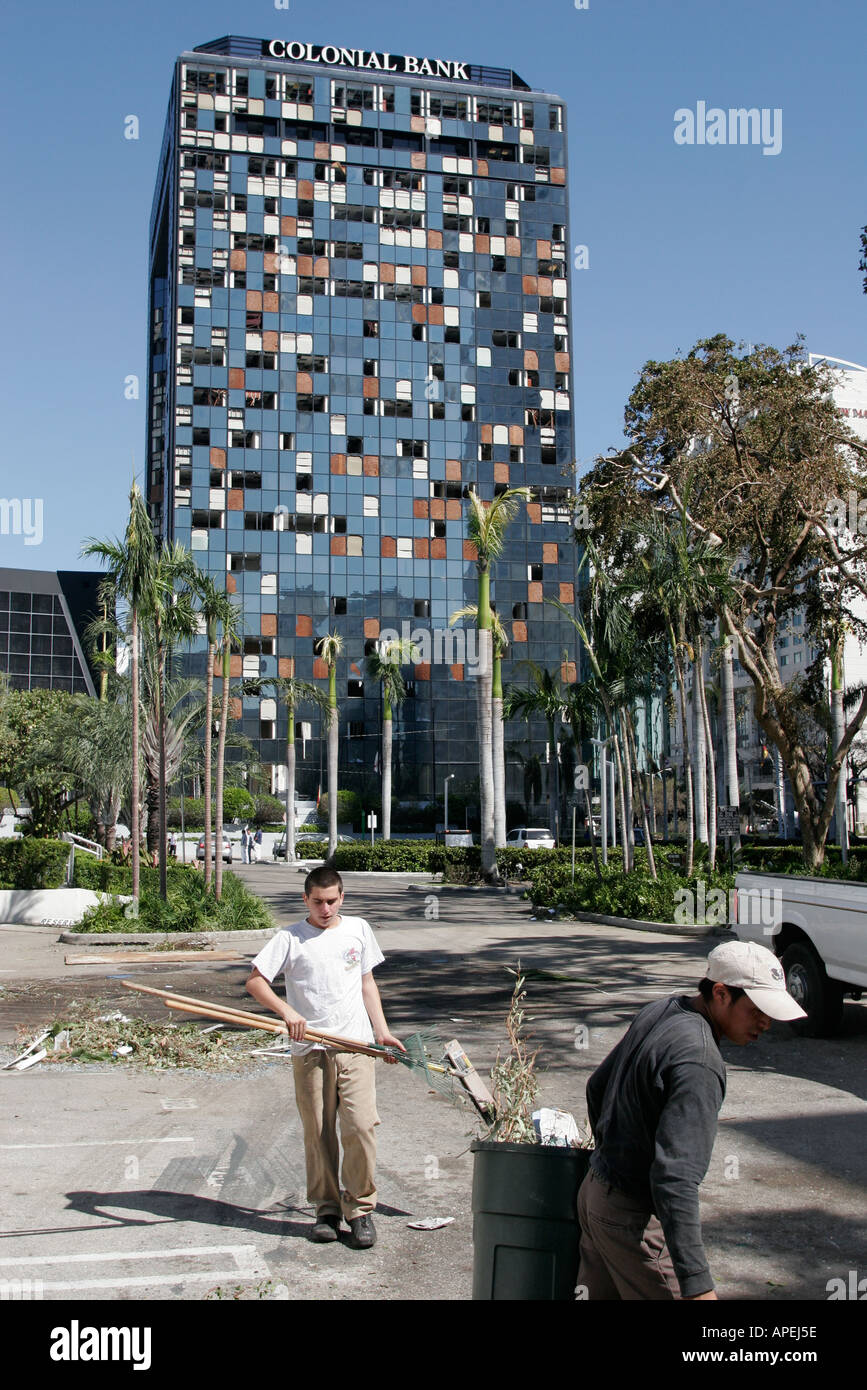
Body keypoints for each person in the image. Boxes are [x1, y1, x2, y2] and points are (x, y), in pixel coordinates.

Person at [576, 939, 807, 1301]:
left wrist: (610, 1164)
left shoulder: (662, 1009)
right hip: (631, 1221)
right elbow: (676, 1179)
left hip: (595, 1197)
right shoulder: (699, 1062)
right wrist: (697, 1285)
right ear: (721, 993)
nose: (766, 1022)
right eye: (758, 1009)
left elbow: (597, 1087)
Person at [245, 865, 404, 1249]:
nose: (326, 908)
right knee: (318, 1133)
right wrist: (287, 1013)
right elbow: (254, 981)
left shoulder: (359, 930)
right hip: (310, 1049)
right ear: (305, 899)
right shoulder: (289, 938)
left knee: (361, 1126)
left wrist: (381, 1031)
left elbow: (367, 983)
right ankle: (327, 1209)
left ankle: (361, 1209)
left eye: (332, 901)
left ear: (342, 898)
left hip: (356, 1045)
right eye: (318, 901)